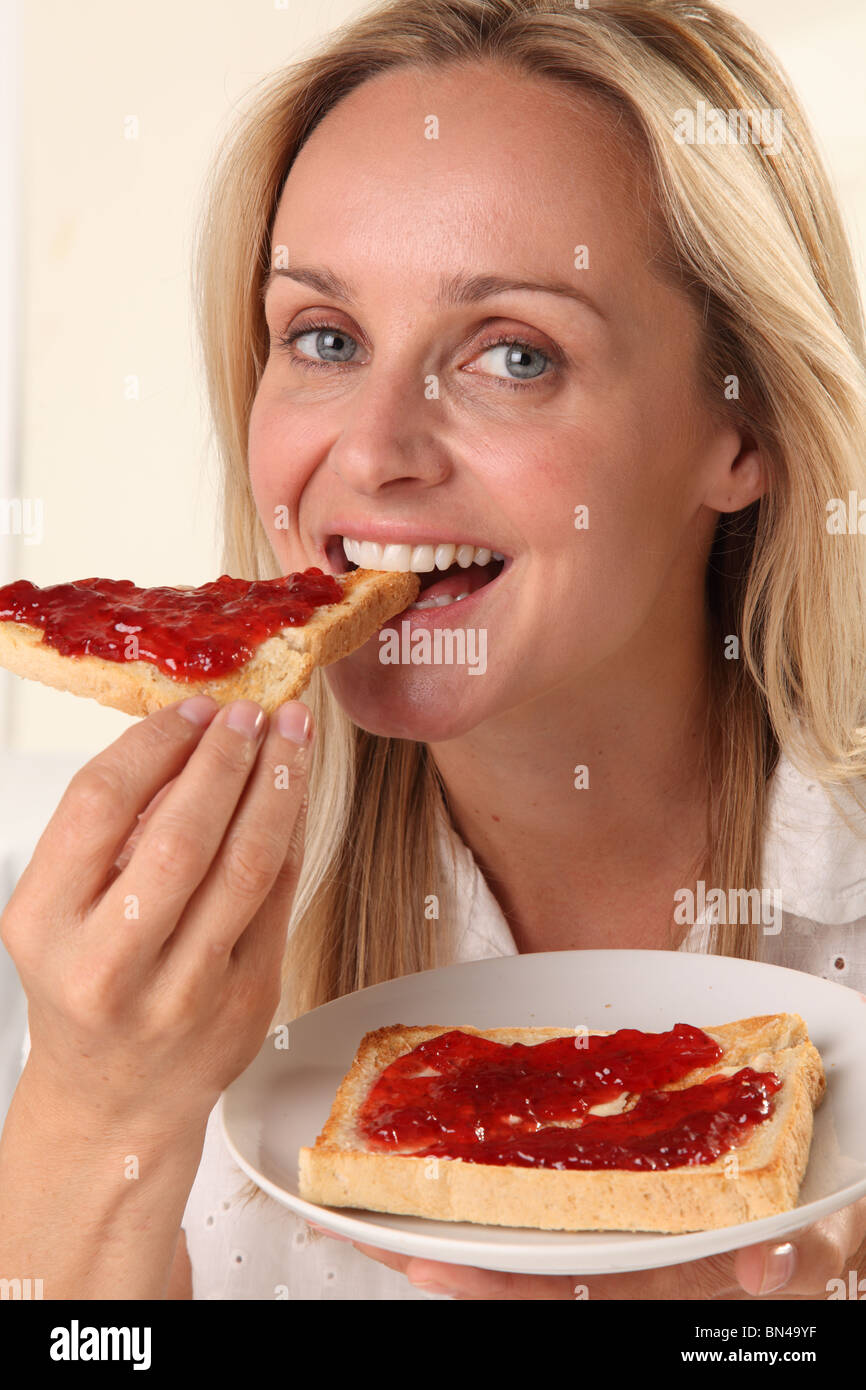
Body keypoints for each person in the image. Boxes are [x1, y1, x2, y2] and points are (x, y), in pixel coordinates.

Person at [2, 0, 865, 1301]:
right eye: (325, 338)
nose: (370, 452)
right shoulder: (129, 945)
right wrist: (94, 1112)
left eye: (512, 353)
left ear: (737, 433)